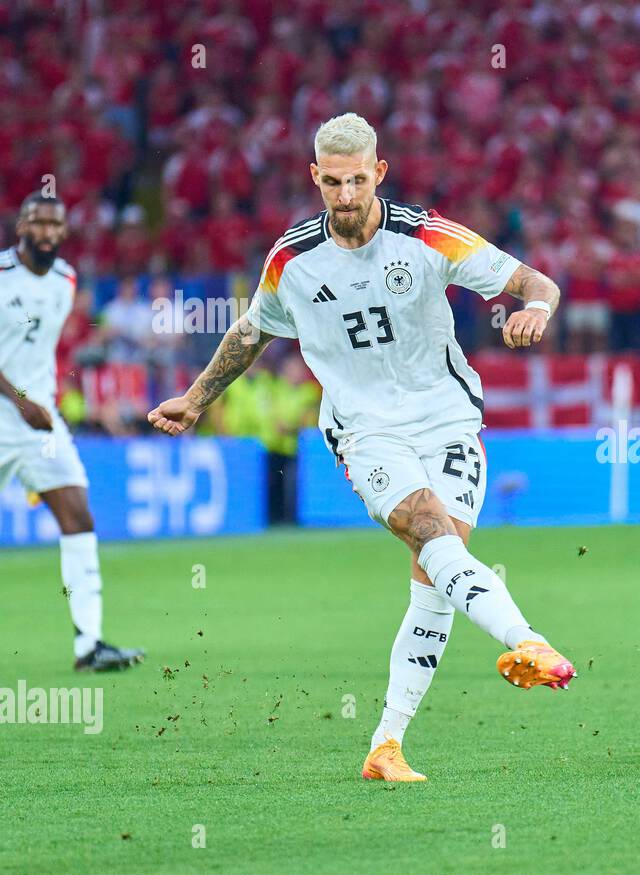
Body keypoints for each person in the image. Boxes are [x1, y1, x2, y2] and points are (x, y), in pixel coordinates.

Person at [148, 113, 574, 783]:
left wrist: (536, 312)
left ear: (379, 173)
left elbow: (535, 283)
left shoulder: (428, 235)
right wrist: (198, 397)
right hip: (365, 430)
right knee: (428, 528)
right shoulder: (290, 259)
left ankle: (386, 745)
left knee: (437, 579)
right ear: (314, 178)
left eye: (357, 181)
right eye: (332, 183)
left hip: (449, 422)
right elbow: (252, 332)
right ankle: (527, 641)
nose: (345, 197)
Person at [0, 192, 145, 671]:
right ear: (21, 225)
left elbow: (36, 350)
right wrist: (22, 400)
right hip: (14, 412)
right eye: (38, 222)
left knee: (78, 515)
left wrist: (40, 402)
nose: (46, 232)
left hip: (40, 424)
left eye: (55, 225)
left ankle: (89, 646)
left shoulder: (65, 280)